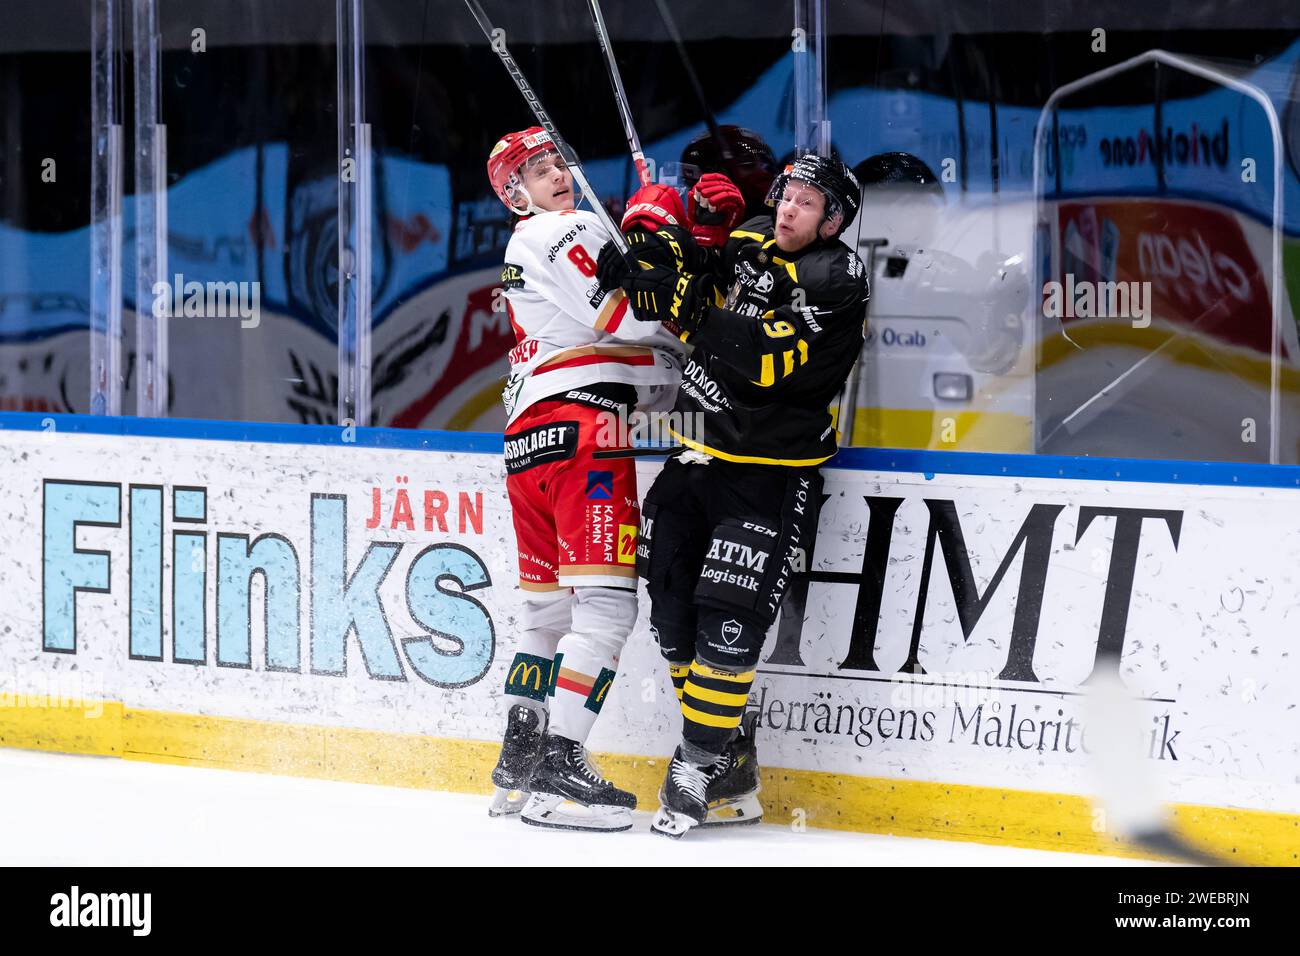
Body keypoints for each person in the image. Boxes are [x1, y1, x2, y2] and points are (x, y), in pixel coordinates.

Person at [596, 153, 869, 838]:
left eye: (807, 204)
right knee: (670, 616)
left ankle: (697, 763)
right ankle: (734, 761)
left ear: (833, 220)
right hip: (693, 455)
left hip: (768, 470)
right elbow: (697, 273)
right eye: (786, 195)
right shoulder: (750, 237)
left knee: (730, 618)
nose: (788, 210)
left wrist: (684, 305)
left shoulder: (838, 278)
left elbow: (764, 357)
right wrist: (657, 250)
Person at [483, 125, 739, 831]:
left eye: (557, 161)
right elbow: (625, 316)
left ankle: (521, 754)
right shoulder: (561, 230)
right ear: (515, 196)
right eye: (535, 171)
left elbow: (646, 365)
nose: (556, 175)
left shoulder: (530, 248)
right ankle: (563, 760)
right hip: (584, 434)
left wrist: (676, 256)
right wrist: (657, 243)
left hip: (529, 438)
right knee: (605, 612)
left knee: (546, 616)